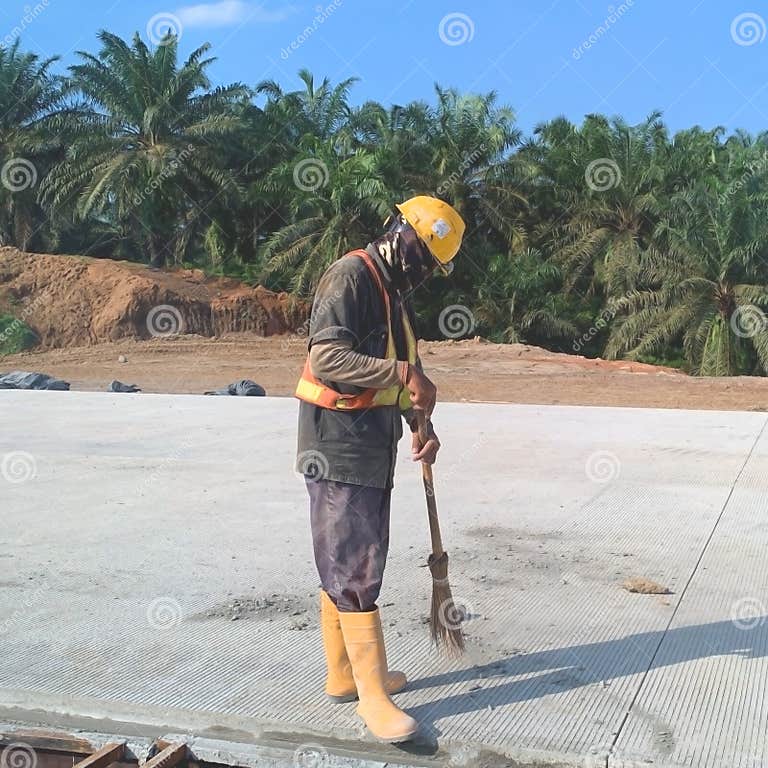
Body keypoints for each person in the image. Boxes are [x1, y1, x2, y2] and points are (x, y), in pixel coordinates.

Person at [294, 196, 465, 743]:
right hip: (336, 447)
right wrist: (401, 372)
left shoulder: (391, 294)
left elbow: (402, 374)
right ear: (400, 233)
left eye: (431, 267)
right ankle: (372, 698)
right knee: (356, 565)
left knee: (349, 558)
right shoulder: (350, 277)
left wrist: (421, 424)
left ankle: (345, 674)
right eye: (423, 257)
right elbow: (327, 358)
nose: (423, 272)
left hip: (371, 443)